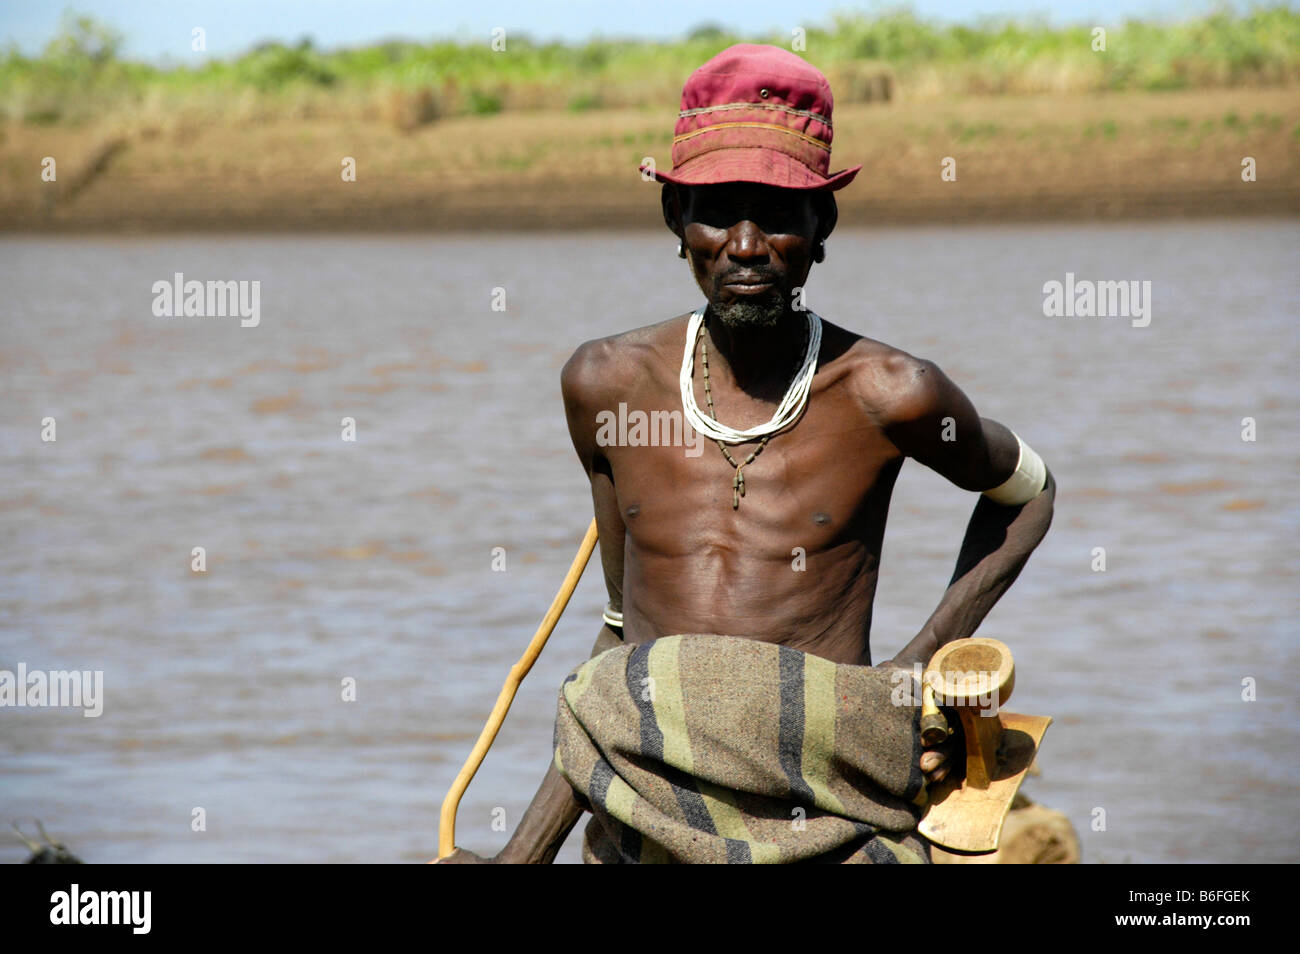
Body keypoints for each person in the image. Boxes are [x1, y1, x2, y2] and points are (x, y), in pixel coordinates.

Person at [441, 43, 1055, 864]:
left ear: (821, 229)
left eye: (776, 213)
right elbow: (623, 655)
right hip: (641, 820)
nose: (744, 243)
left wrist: (915, 671)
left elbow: (1030, 492)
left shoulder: (889, 391)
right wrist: (522, 856)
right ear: (674, 222)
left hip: (823, 813)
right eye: (716, 210)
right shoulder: (606, 385)